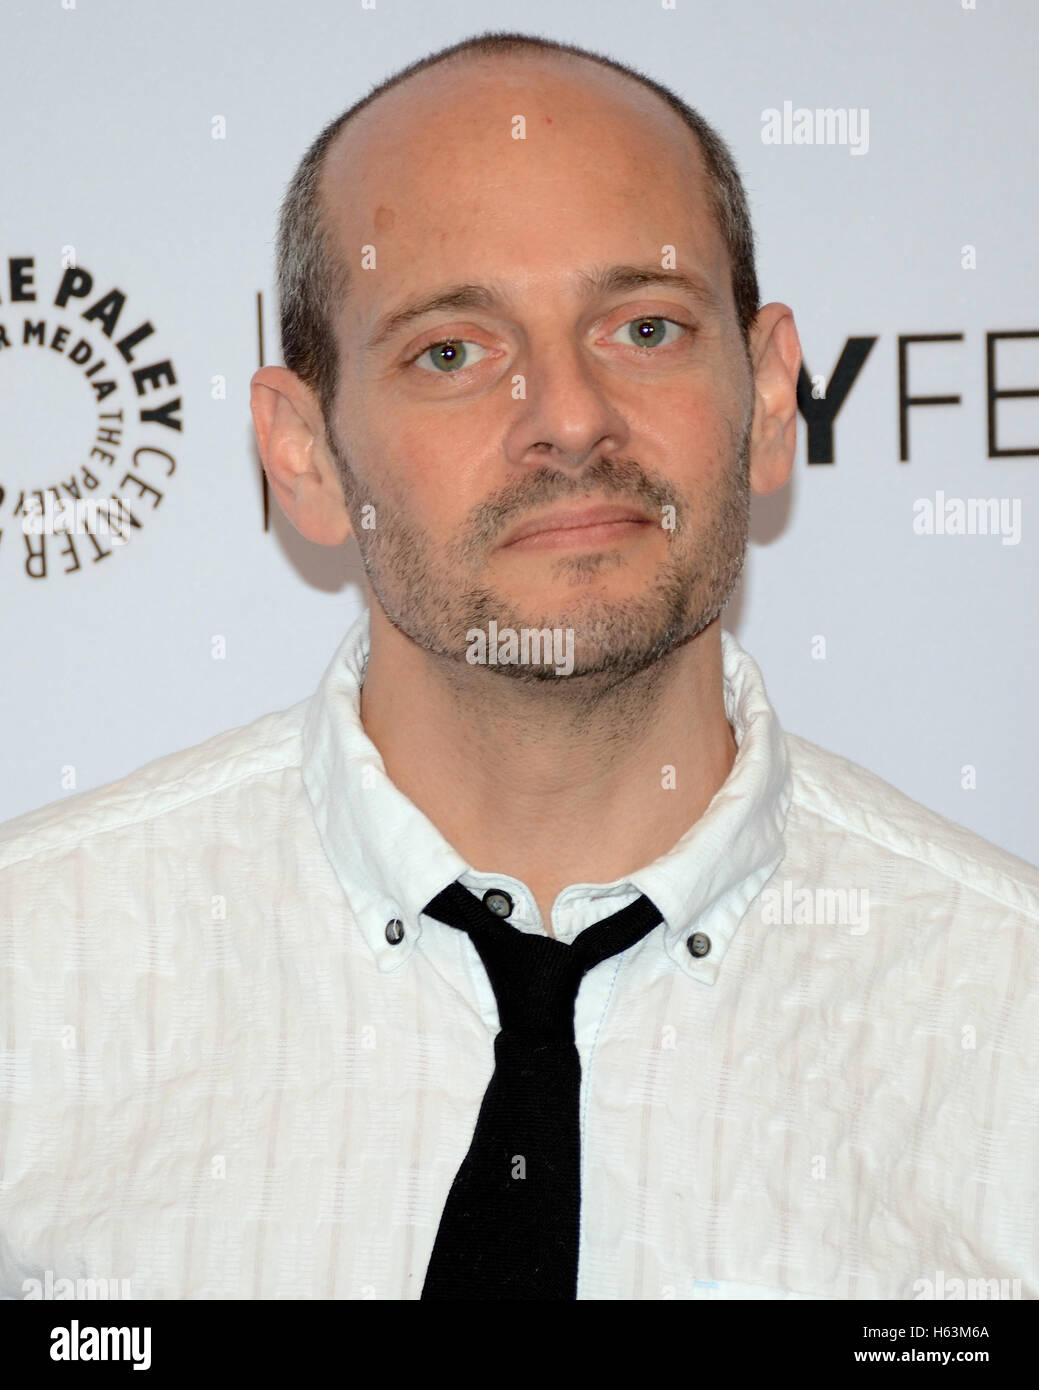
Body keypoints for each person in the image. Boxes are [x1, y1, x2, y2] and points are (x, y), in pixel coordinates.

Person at [1, 30, 1036, 1302]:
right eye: (451, 351)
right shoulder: (34, 979)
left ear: (770, 400)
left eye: (644, 327)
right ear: (304, 454)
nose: (567, 413)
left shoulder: (1010, 1021)